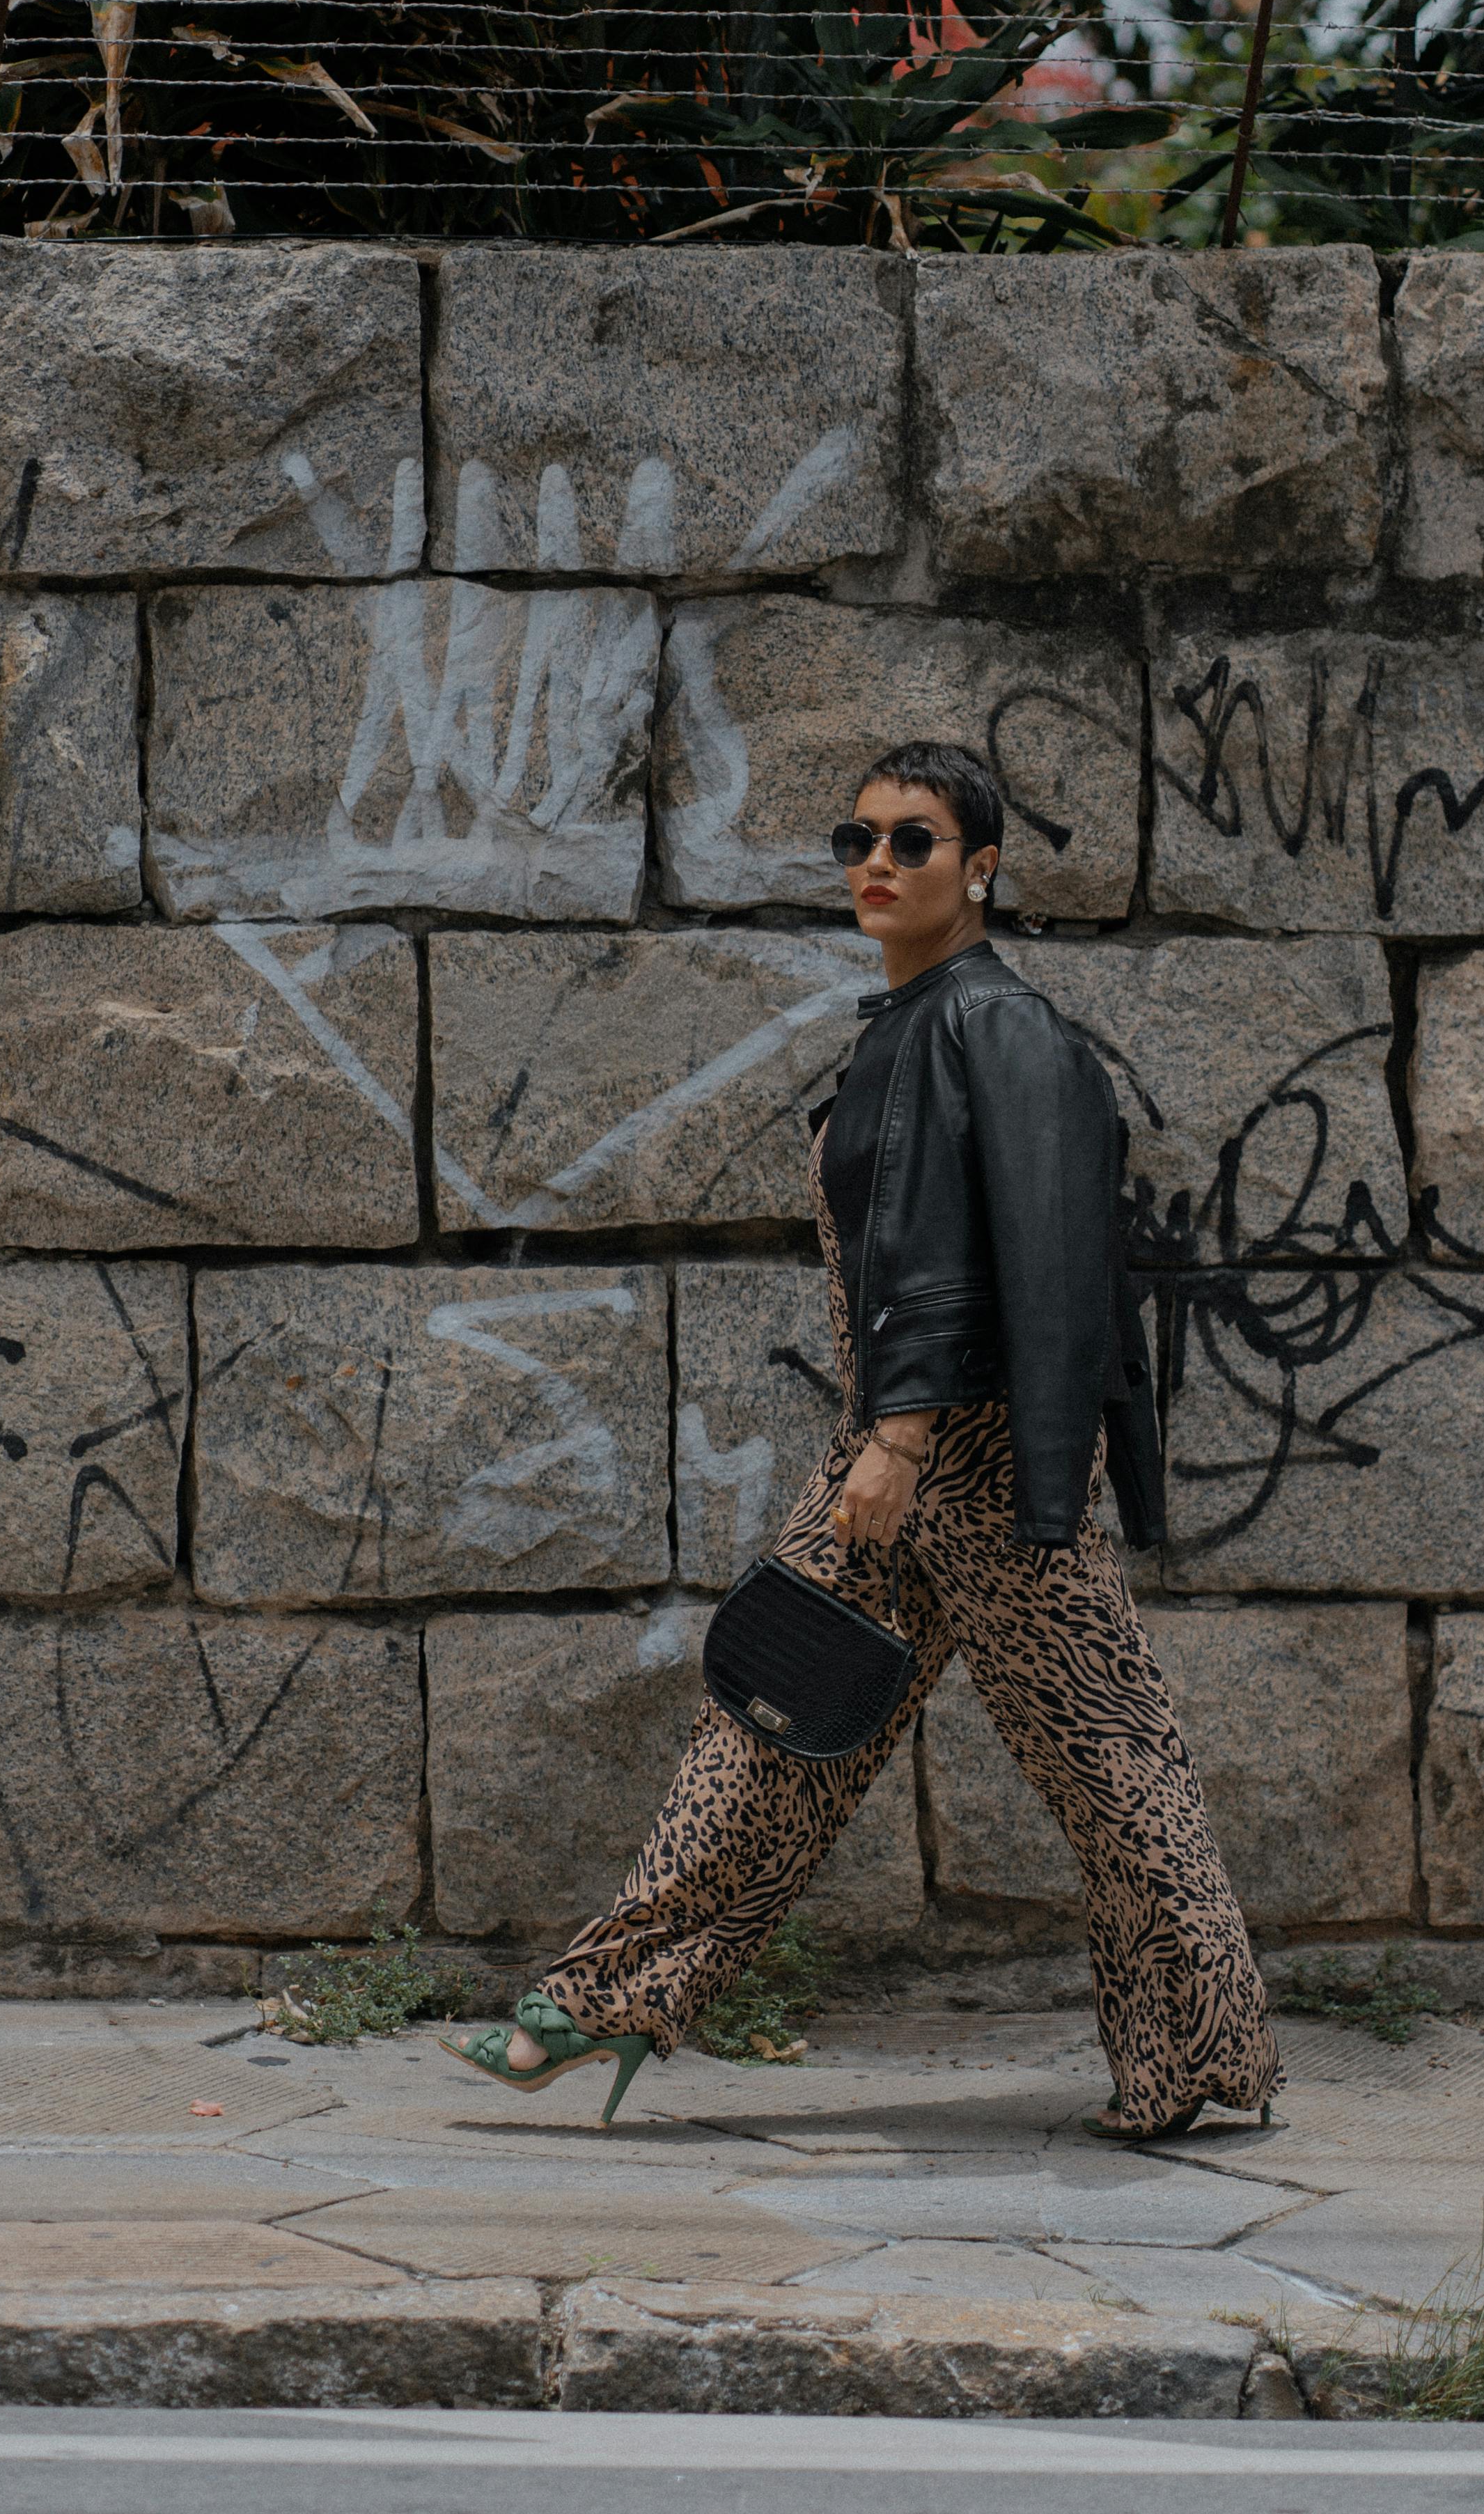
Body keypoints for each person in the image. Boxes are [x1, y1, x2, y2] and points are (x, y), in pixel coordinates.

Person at [451, 735, 1281, 2144]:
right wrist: (880, 1440)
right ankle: (601, 2002)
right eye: (858, 840)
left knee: (1110, 1764)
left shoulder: (1000, 1028)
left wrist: (902, 1436)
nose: (876, 864)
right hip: (889, 1454)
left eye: (912, 841)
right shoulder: (907, 1024)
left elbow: (1006, 1259)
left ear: (982, 867)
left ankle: (1196, 2053)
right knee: (769, 1728)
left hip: (969, 1461)